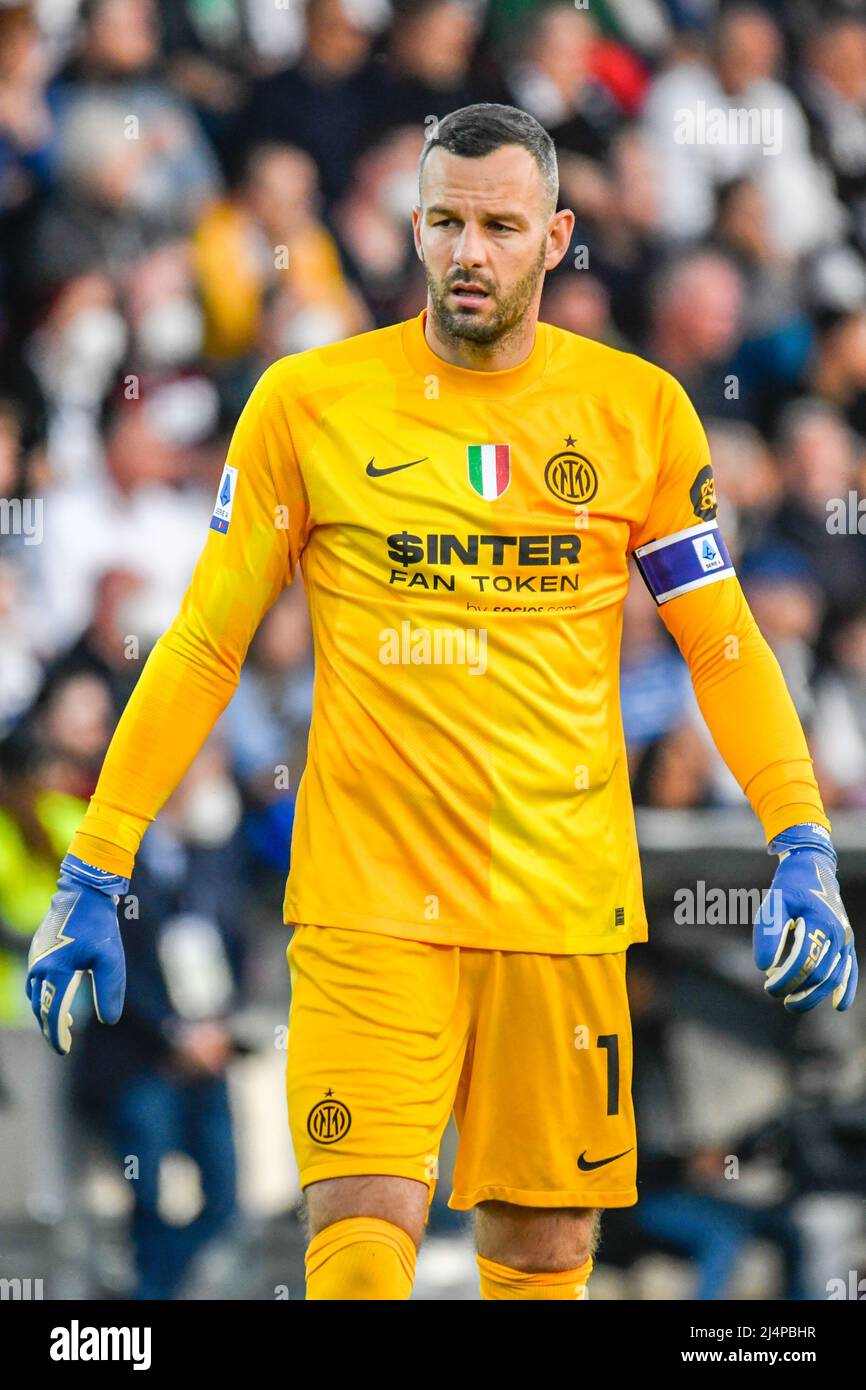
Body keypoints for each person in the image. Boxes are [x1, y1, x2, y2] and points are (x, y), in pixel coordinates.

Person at [26, 103, 857, 1302]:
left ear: (557, 235)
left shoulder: (636, 412)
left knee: (544, 1254)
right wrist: (95, 865)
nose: (468, 251)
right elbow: (205, 643)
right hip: (368, 901)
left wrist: (799, 838)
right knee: (360, 1238)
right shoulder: (308, 405)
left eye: (500, 226)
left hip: (559, 903)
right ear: (415, 229)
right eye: (445, 222)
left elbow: (720, 645)